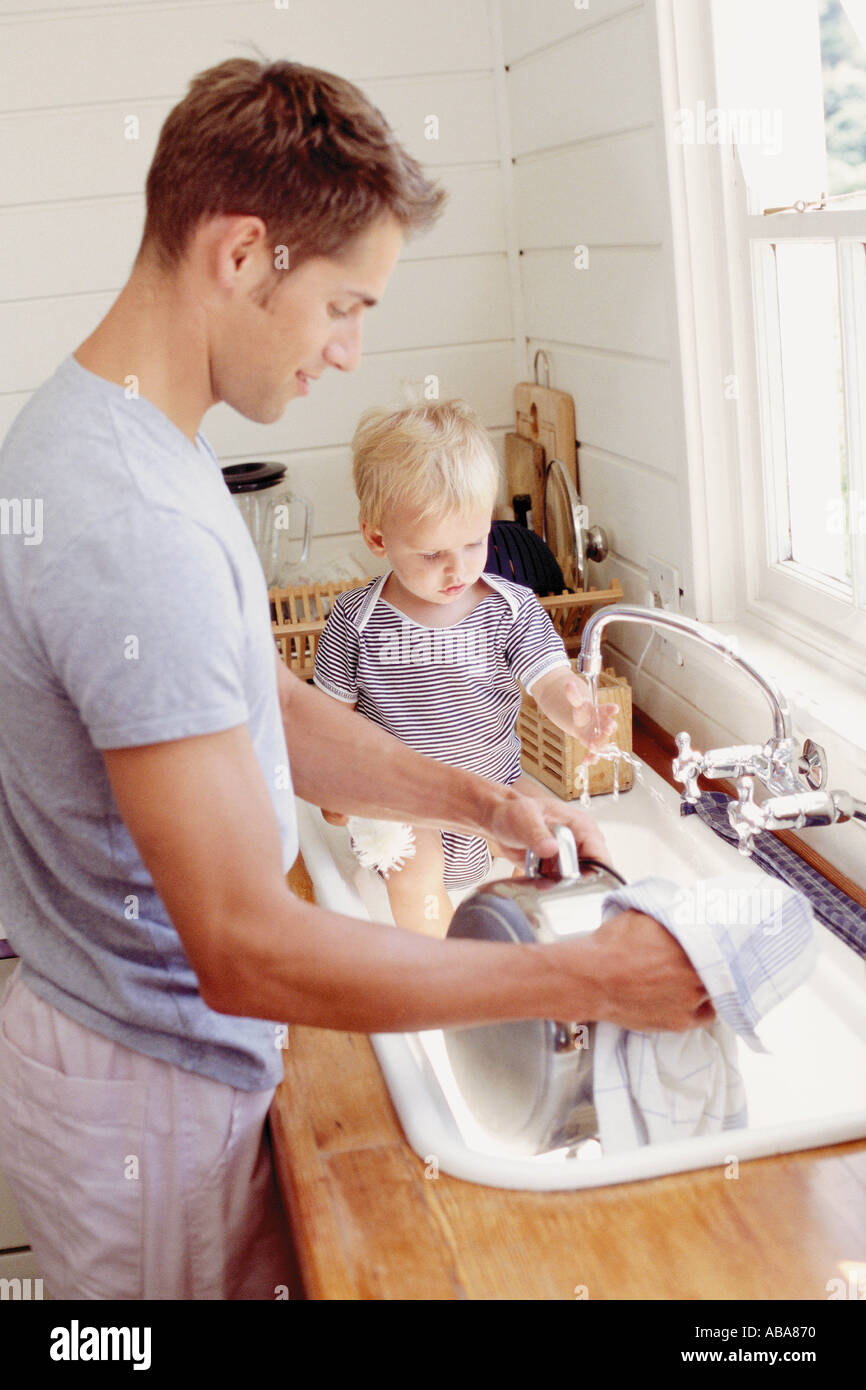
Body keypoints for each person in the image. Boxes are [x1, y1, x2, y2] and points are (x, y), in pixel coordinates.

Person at [0, 57, 714, 1301]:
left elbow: (256, 704)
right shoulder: (132, 518)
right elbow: (238, 941)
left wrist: (481, 803)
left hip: (143, 1058)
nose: (350, 349)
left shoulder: (131, 437)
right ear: (240, 255)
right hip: (148, 1092)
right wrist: (589, 976)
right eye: (342, 304)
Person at [314, 400, 620, 934]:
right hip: (407, 805)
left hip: (496, 794)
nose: (457, 568)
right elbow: (326, 721)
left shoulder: (511, 608)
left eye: (474, 542)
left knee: (562, 835)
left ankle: (558, 947)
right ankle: (449, 969)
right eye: (431, 555)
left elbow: (548, 680)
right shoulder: (356, 621)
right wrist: (332, 788)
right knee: (417, 872)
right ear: (378, 538)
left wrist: (576, 713)